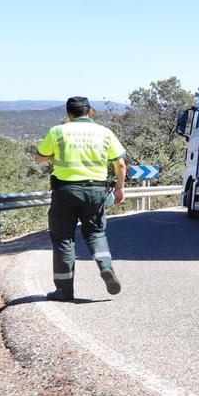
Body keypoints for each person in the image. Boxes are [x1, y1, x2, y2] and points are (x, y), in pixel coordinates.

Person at [33, 97, 126, 301]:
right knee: (96, 233)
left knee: (63, 238)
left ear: (68, 114)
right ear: (90, 112)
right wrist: (119, 189)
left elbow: (39, 158)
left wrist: (53, 155)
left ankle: (64, 291)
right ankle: (106, 267)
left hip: (65, 192)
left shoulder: (58, 131)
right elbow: (120, 164)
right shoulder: (105, 132)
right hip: (95, 192)